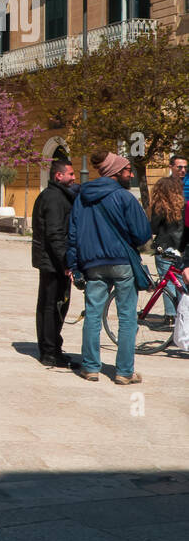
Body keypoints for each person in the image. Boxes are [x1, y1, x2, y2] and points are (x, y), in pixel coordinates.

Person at [66, 151, 152, 385]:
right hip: (122, 263)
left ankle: (90, 368)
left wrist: (73, 265)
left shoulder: (83, 197)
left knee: (93, 315)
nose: (130, 174)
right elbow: (143, 234)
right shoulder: (125, 198)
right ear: (115, 172)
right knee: (127, 318)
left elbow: (72, 233)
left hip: (92, 264)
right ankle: (124, 372)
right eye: (127, 170)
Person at [31, 158, 78, 369]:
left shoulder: (57, 196)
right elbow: (55, 234)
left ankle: (53, 348)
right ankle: (49, 352)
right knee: (52, 306)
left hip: (52, 261)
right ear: (59, 175)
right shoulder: (54, 199)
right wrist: (66, 262)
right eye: (71, 174)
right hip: (52, 263)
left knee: (54, 305)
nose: (74, 177)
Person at [147, 175, 185, 322]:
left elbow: (154, 228)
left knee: (166, 281)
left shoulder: (160, 207)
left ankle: (170, 315)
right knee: (181, 282)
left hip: (164, 247)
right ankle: (183, 314)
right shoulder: (183, 207)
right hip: (179, 248)